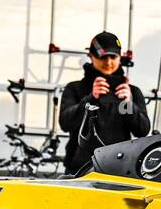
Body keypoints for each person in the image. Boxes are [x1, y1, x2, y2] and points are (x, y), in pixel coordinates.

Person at [59, 31, 151, 174]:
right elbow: (65, 123)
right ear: (91, 56)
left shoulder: (131, 91)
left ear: (120, 57)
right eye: (102, 57)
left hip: (119, 168)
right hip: (79, 170)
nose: (108, 62)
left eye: (113, 56)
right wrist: (91, 98)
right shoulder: (75, 88)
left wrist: (127, 104)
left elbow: (142, 131)